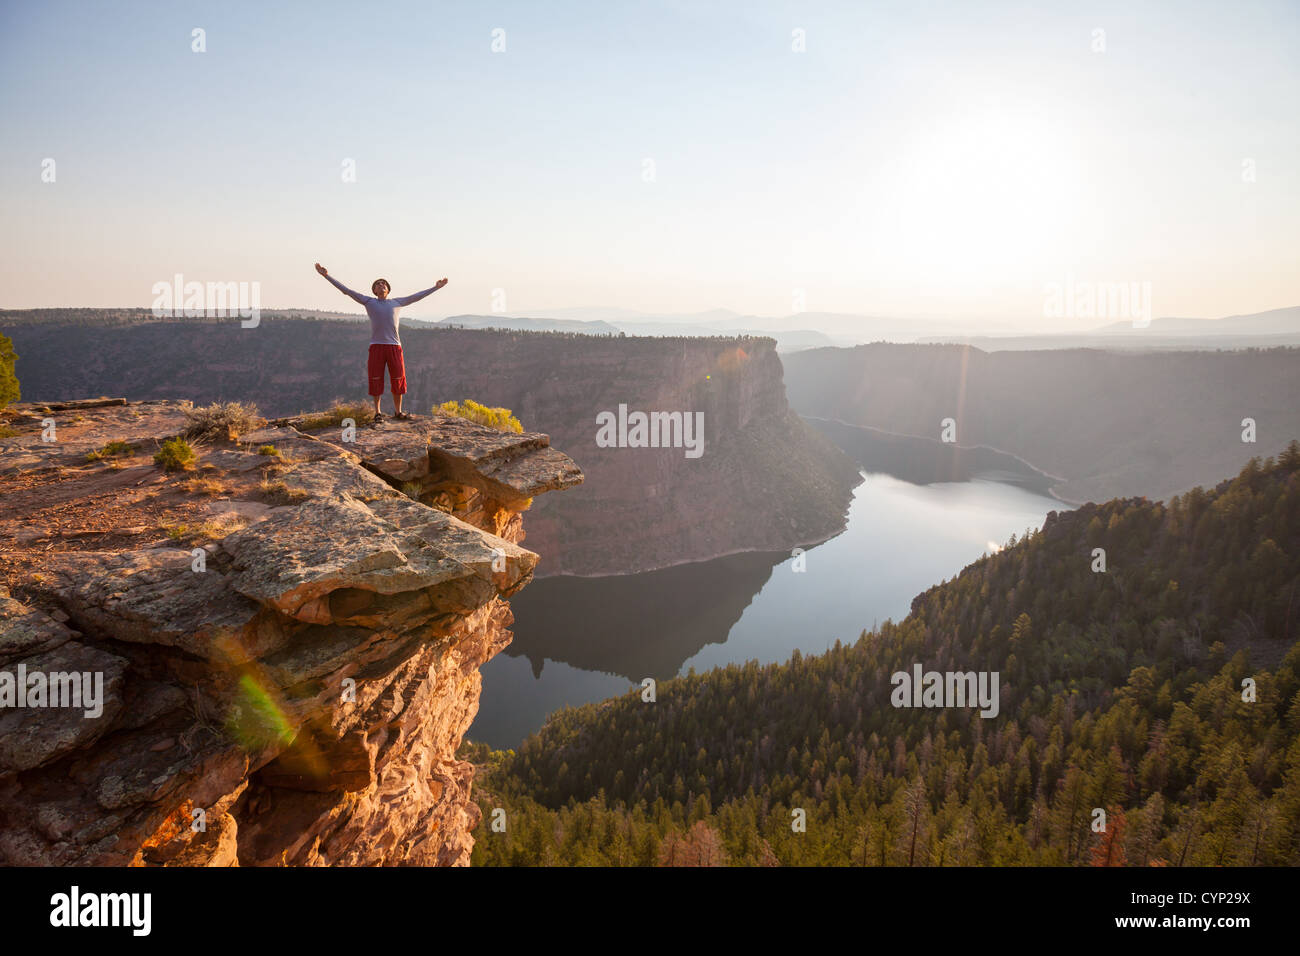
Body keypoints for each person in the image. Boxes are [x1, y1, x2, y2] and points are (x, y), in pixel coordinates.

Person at [314, 263, 447, 421]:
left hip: (394, 347)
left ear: (388, 289)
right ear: (374, 291)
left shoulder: (397, 302)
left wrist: (436, 287)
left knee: (398, 378)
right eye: (378, 284)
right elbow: (346, 291)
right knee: (375, 378)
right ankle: (377, 413)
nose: (381, 285)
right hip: (376, 347)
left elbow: (417, 296)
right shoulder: (369, 302)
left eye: (383, 283)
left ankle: (398, 412)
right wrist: (326, 276)